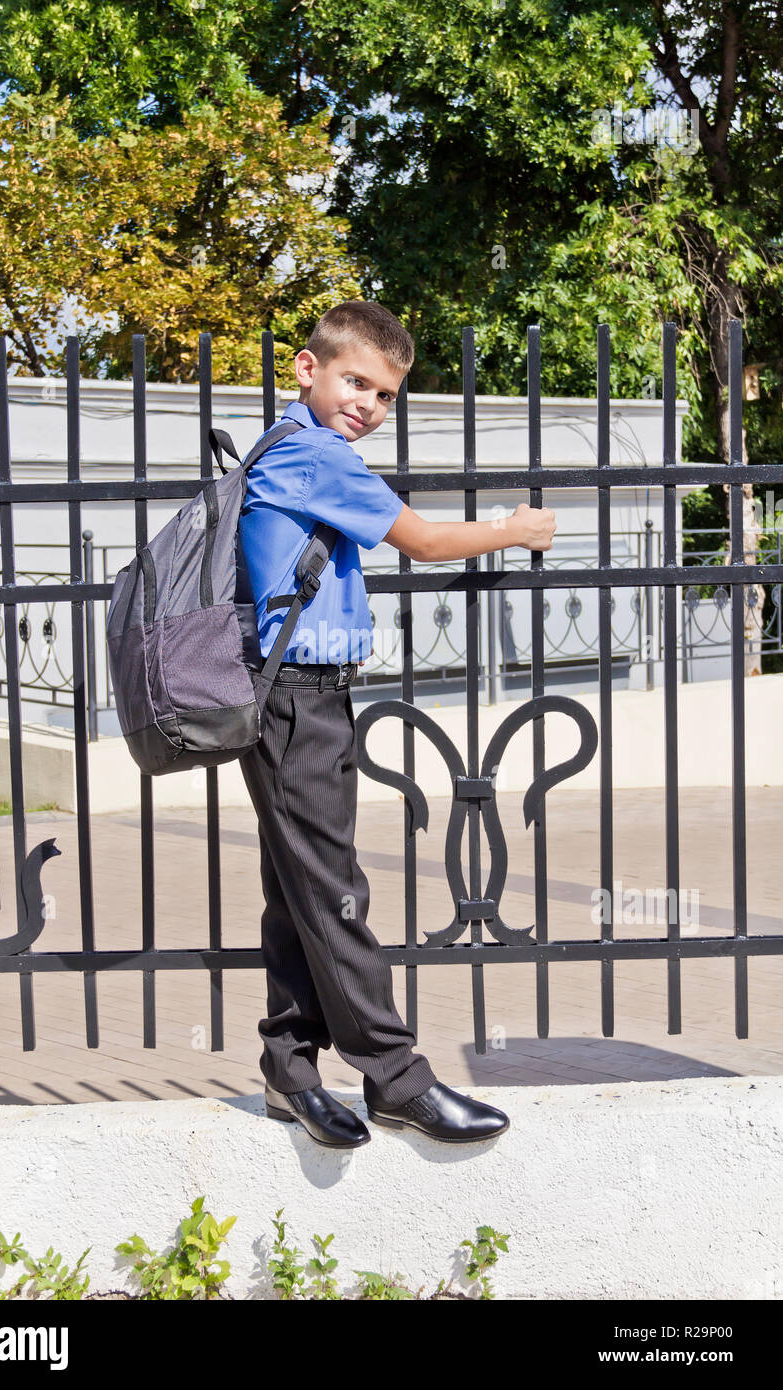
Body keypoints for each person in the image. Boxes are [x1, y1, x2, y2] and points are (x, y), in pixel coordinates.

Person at [238, 301, 556, 1149]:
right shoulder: (314, 455)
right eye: (355, 382)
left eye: (384, 395)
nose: (368, 405)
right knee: (335, 892)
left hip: (303, 696)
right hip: (297, 699)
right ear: (308, 369)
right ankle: (396, 1077)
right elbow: (418, 539)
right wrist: (512, 528)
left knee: (296, 891)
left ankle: (290, 1067)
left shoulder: (287, 443)